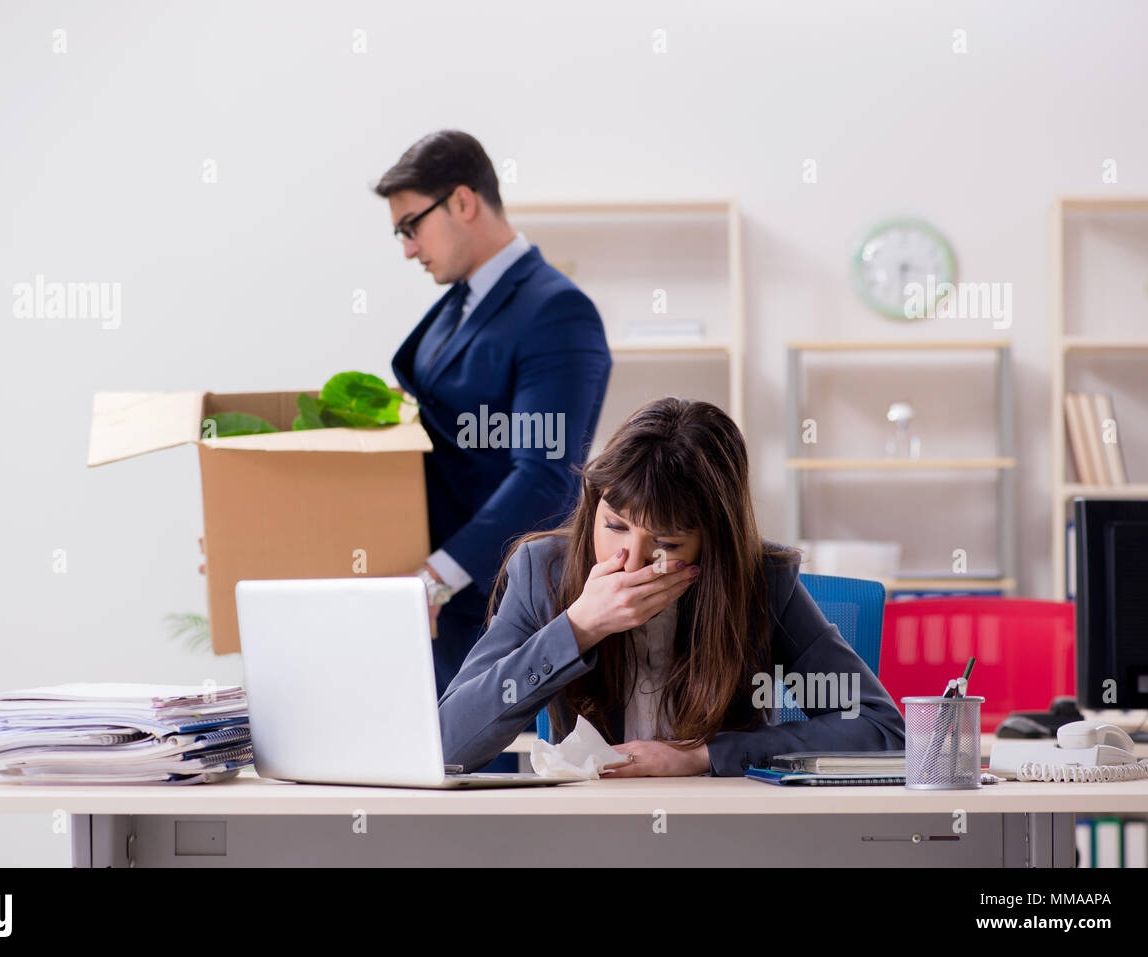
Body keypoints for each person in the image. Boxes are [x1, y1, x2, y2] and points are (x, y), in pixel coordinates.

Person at [437, 397, 907, 776]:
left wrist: (704, 755)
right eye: (615, 525)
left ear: (712, 545)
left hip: (721, 831)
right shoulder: (543, 572)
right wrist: (576, 628)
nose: (630, 562)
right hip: (592, 831)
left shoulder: (761, 579)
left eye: (665, 542)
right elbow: (446, 744)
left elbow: (882, 730)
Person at [375, 130, 613, 745]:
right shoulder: (459, 305)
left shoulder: (556, 311)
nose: (406, 249)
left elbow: (545, 474)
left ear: (462, 202)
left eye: (410, 226)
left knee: (473, 793)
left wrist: (436, 576)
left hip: (490, 603)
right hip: (430, 601)